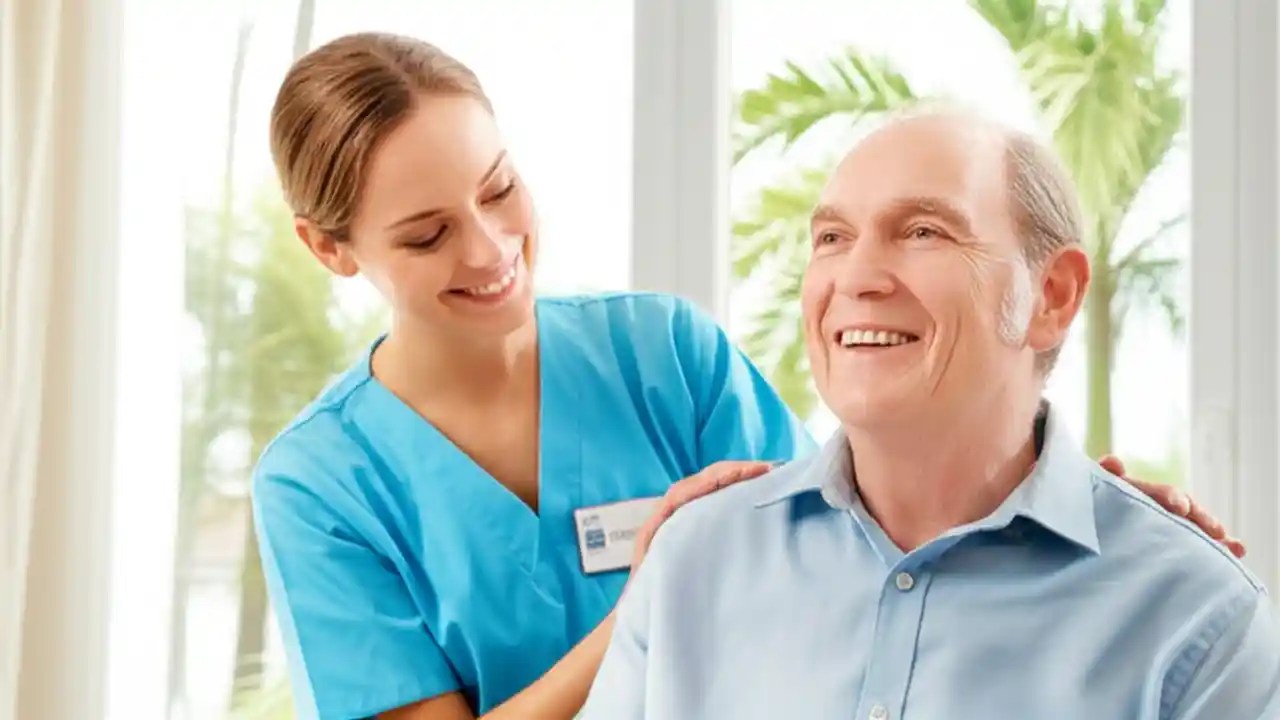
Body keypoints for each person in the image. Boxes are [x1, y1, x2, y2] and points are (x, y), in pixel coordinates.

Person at [252, 33, 1243, 720]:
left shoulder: (659, 355)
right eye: (426, 235)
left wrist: (1065, 506)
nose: (489, 246)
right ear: (330, 249)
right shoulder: (323, 483)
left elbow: (853, 540)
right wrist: (651, 603)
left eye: (499, 187)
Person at [581, 108, 1280, 720]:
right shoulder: (692, 563)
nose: (856, 277)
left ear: (1053, 296)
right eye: (831, 238)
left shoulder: (1198, 617)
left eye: (922, 232)